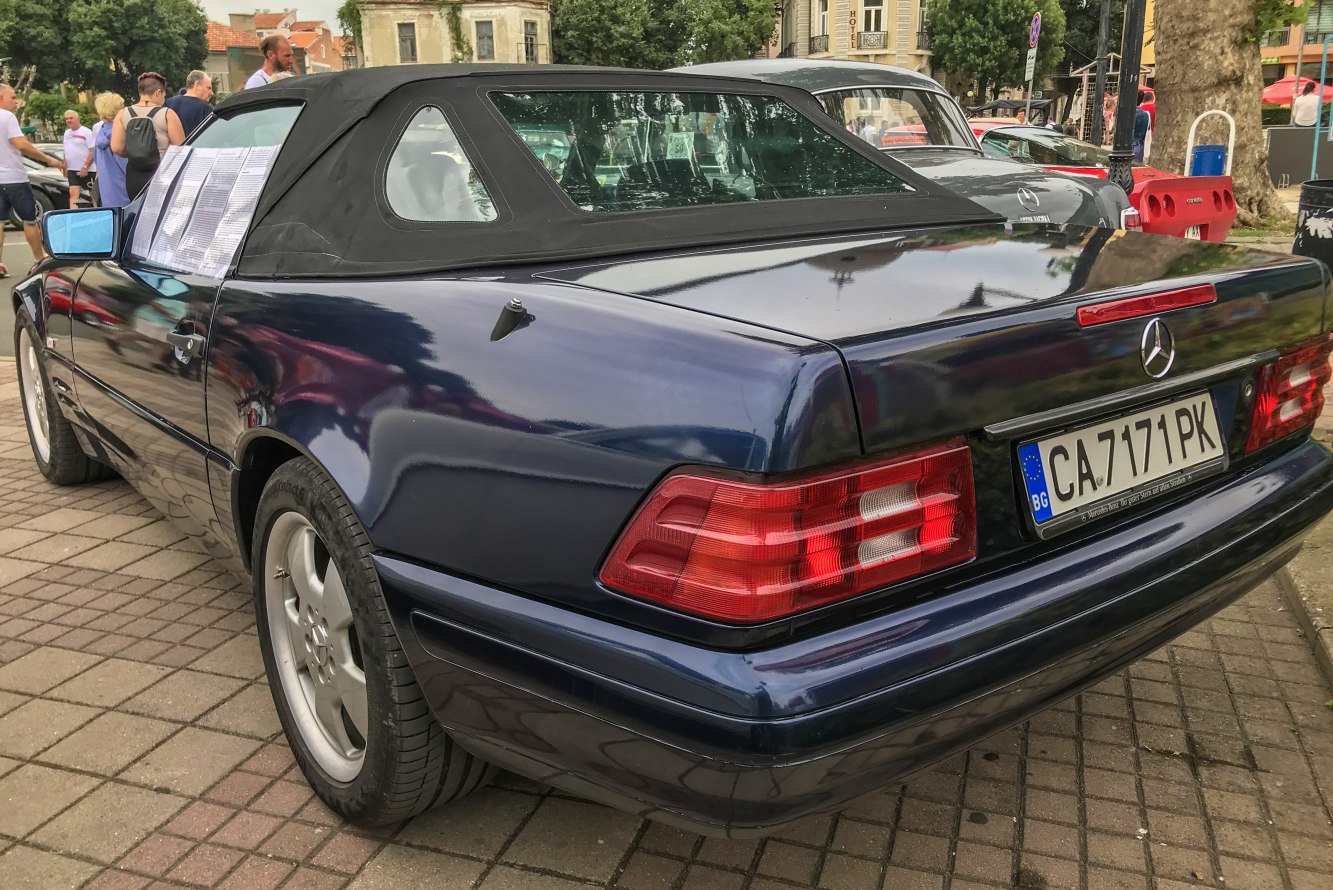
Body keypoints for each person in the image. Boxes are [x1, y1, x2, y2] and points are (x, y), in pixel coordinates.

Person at [0, 83, 65, 276]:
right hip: (14, 179)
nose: (16, 101)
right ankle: (39, 259)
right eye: (12, 98)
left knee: (0, 222)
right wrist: (49, 160)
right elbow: (20, 143)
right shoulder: (7, 117)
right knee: (29, 220)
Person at [111, 72, 186, 200]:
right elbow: (181, 148)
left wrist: (134, 153)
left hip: (134, 174)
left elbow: (116, 147)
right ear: (158, 92)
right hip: (161, 172)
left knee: (138, 213)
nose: (164, 99)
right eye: (163, 95)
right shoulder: (167, 113)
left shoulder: (122, 114)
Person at [91, 92, 129, 208]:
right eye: (122, 108)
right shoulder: (119, 135)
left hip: (107, 194)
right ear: (116, 112)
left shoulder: (100, 133)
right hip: (124, 193)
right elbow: (127, 167)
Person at [61, 109, 95, 209]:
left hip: (88, 169)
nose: (69, 120)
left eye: (71, 118)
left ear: (77, 119)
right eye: (66, 119)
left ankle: (97, 214)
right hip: (72, 169)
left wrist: (85, 166)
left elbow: (92, 151)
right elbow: (66, 150)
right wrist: (65, 166)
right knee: (73, 195)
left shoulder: (86, 132)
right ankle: (73, 216)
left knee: (93, 195)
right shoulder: (67, 133)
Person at [165, 70, 214, 137]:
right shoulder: (204, 109)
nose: (212, 93)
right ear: (197, 85)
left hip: (171, 147)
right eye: (209, 88)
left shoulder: (169, 102)